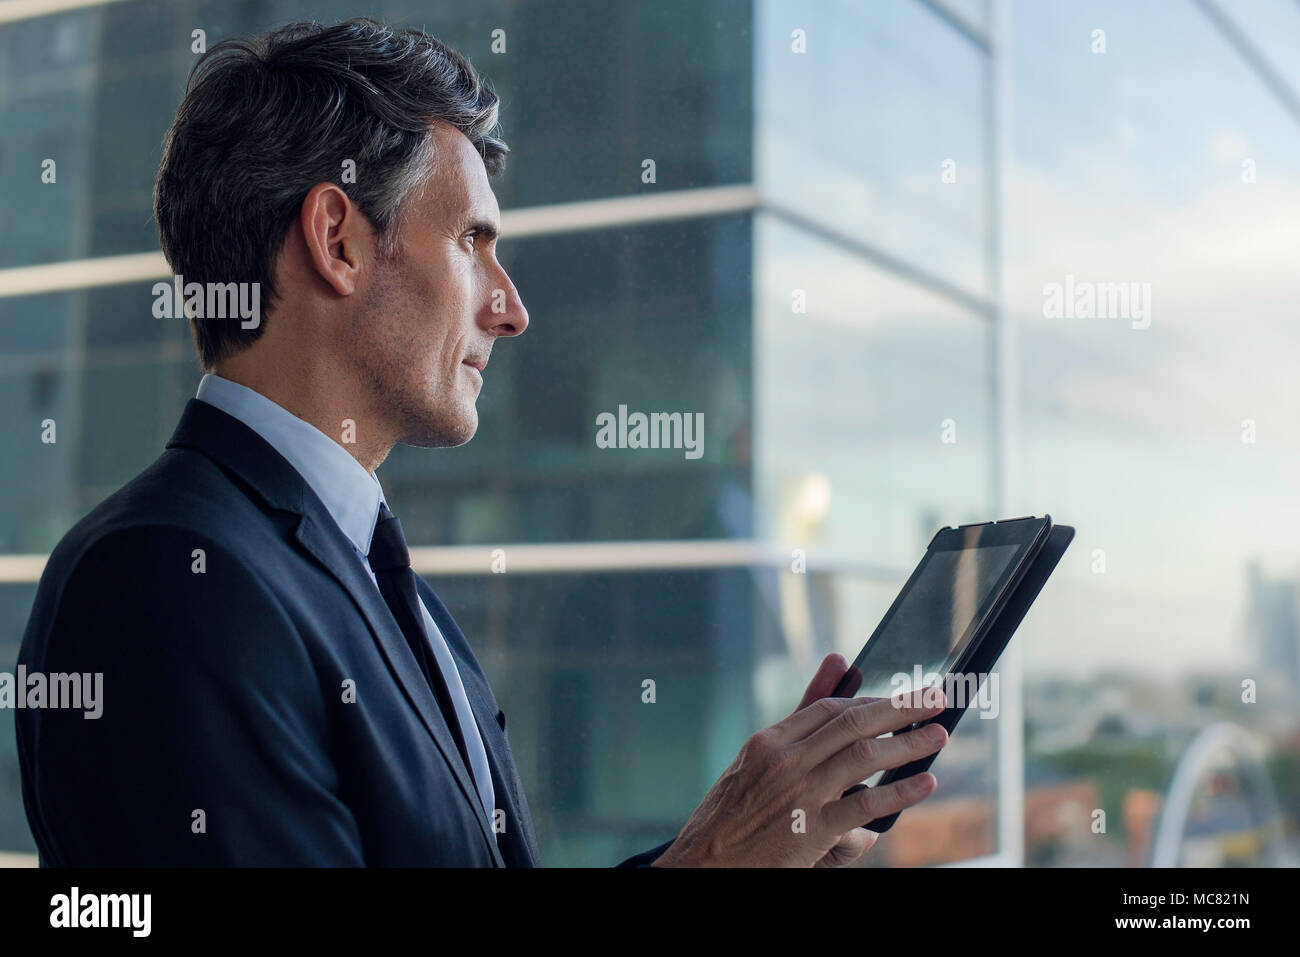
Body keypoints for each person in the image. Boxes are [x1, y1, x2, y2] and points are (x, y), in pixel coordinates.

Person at [15, 17, 948, 867]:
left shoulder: (370, 579)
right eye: (471, 241)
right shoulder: (169, 576)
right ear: (336, 241)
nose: (512, 308)